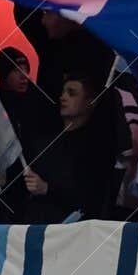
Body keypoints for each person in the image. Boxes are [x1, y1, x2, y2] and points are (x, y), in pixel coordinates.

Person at [20, 75, 120, 223]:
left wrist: (47, 189)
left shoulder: (95, 148)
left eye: (71, 93)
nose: (63, 97)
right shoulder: (46, 141)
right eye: (63, 92)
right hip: (37, 226)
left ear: (90, 102)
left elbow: (90, 196)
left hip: (73, 231)